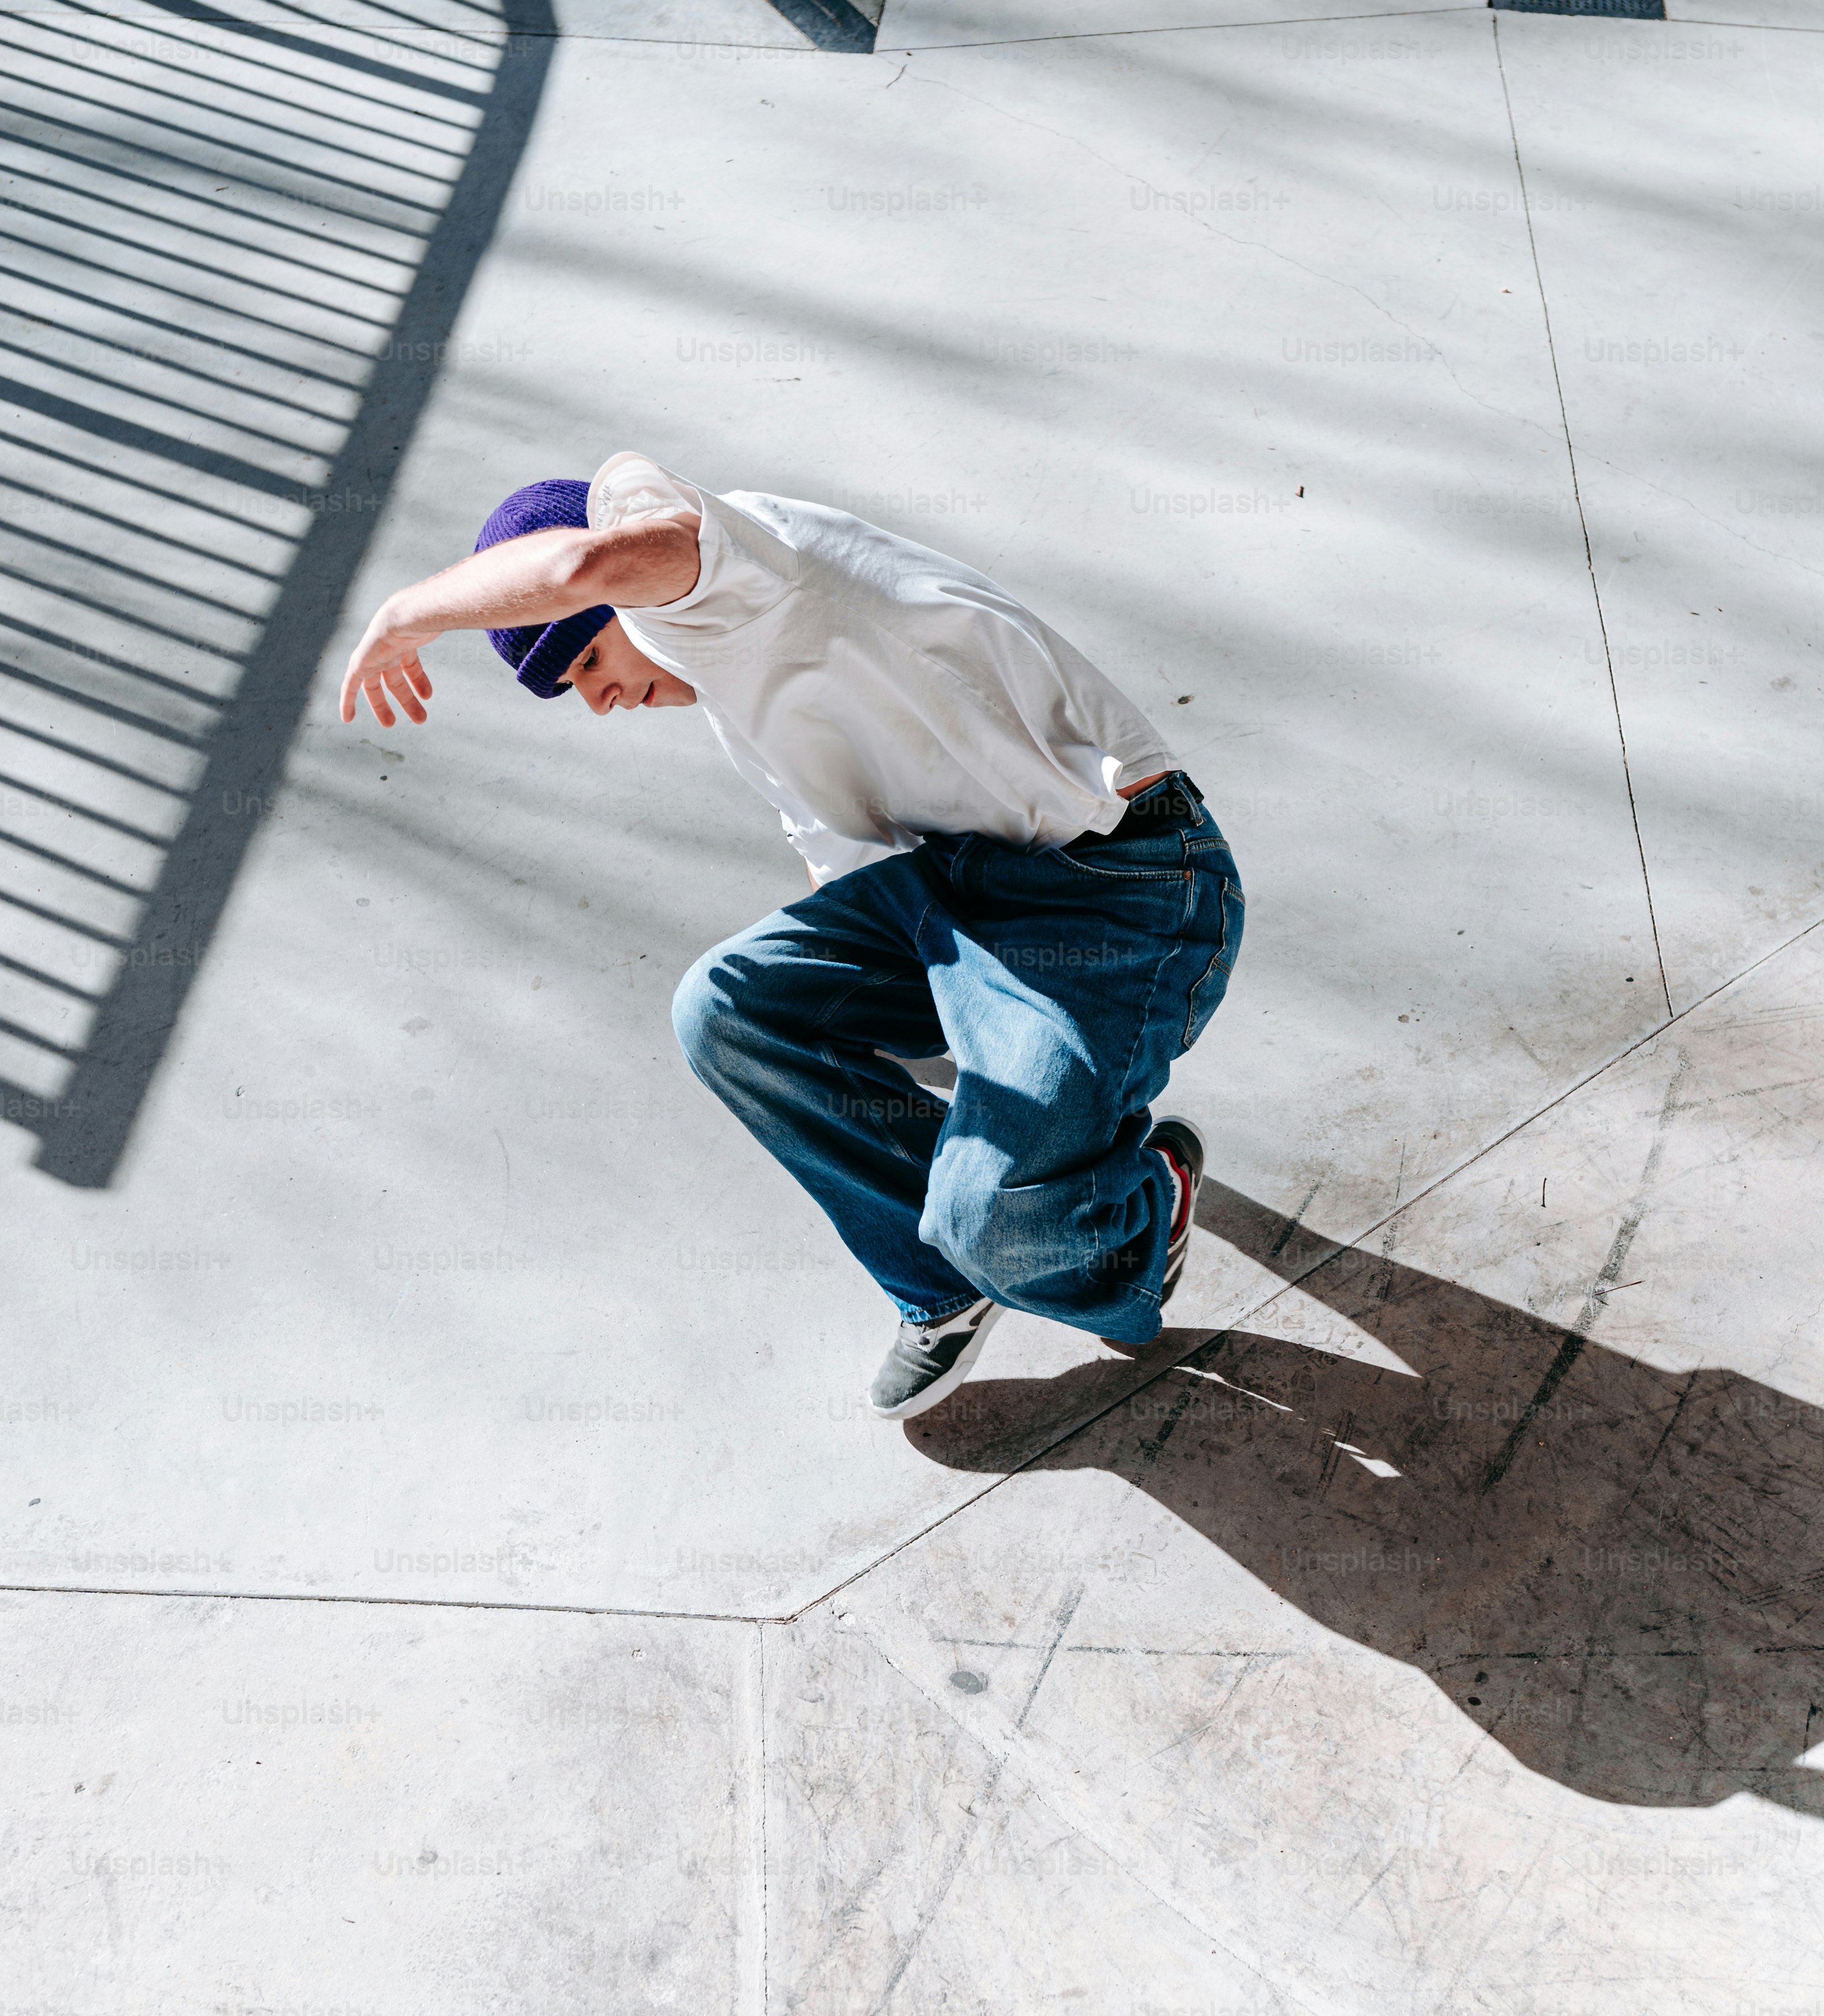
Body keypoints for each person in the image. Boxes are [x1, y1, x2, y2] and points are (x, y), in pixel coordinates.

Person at [340, 453, 1243, 1419]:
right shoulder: (745, 705)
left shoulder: (737, 579)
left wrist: (410, 612)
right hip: (955, 901)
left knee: (995, 1219)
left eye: (590, 664)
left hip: (1118, 887)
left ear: (629, 608)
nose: (600, 702)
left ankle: (1135, 1215)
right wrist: (898, 1047)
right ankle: (942, 1276)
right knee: (722, 1008)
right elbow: (842, 880)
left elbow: (578, 572)